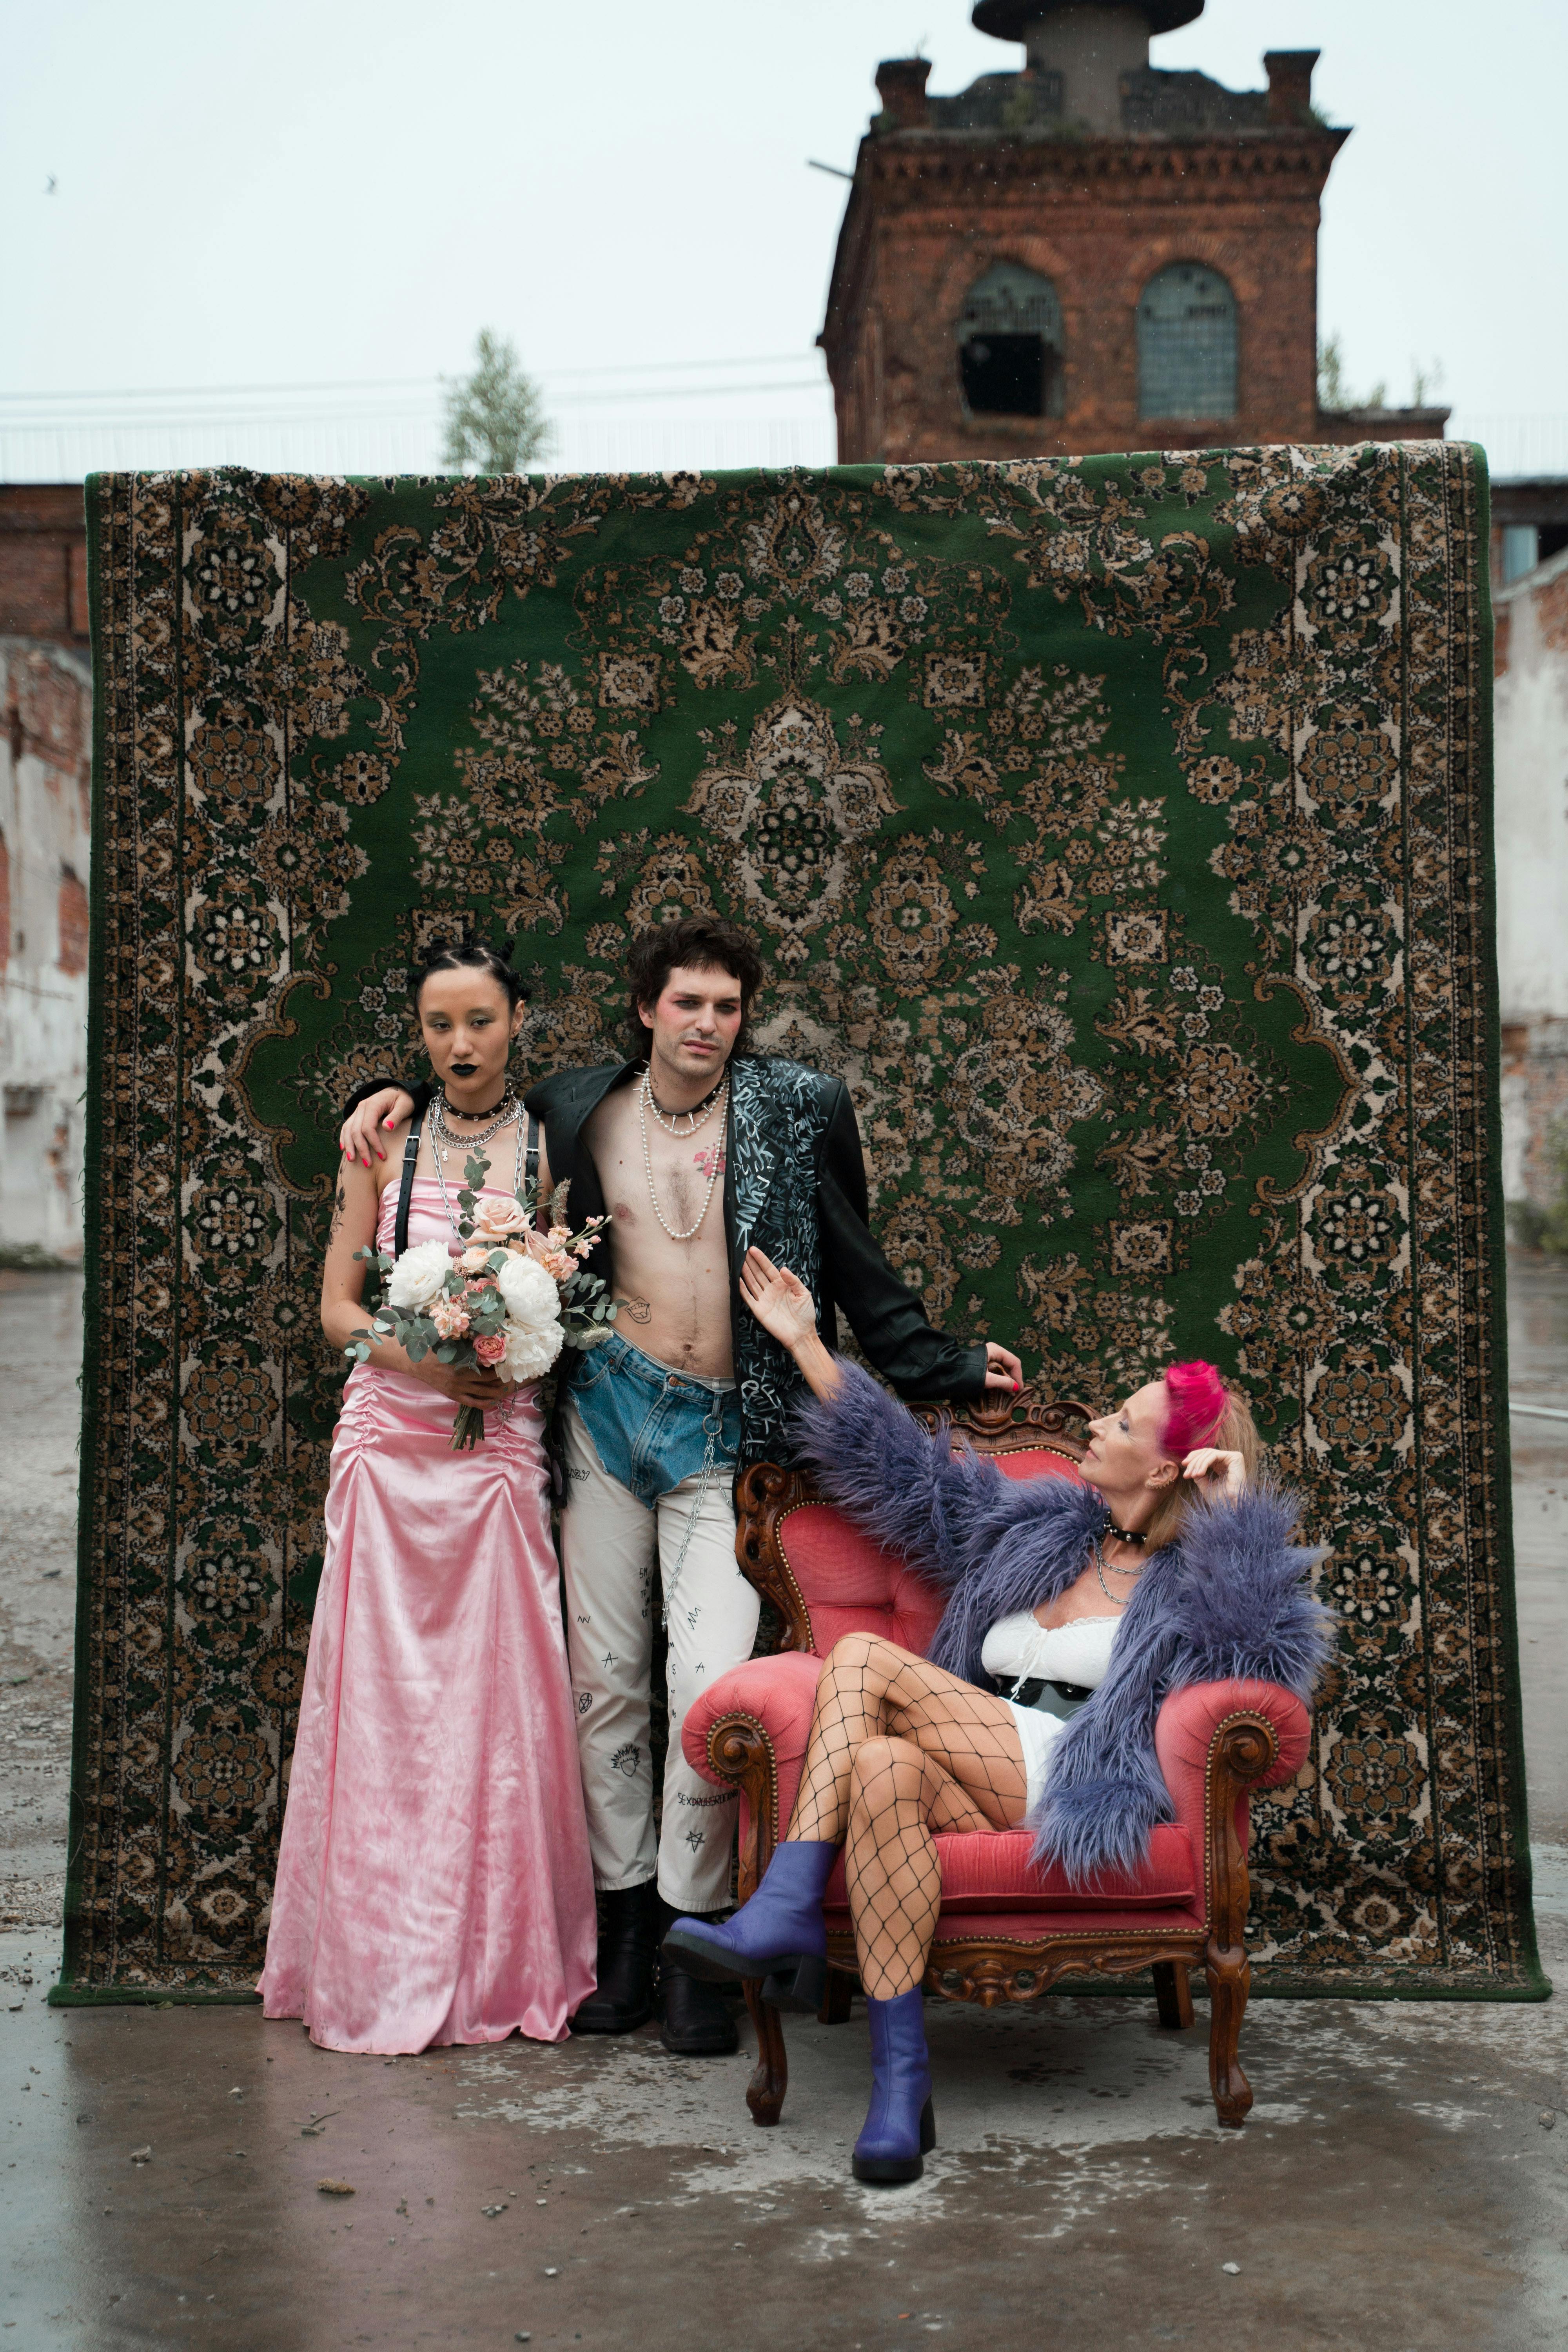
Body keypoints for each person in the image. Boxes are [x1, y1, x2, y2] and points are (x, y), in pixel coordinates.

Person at [336, 915, 1025, 2057]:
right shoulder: (577, 1107)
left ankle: (693, 1935)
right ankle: (622, 1936)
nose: (709, 1024)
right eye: (688, 1003)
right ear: (647, 1010)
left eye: (729, 1006)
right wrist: (382, 1090)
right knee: (606, 1681)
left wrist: (942, 1363)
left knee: (709, 1688)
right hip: (605, 1412)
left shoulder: (797, 1108)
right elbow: (469, 1088)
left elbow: (854, 1259)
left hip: (723, 1434)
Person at [663, 1253, 1330, 2183]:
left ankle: (780, 1905)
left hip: (1073, 1774)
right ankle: (900, 2092)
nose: (1093, 1425)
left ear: (1170, 1463)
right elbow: (901, 1472)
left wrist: (1231, 1522)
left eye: (1123, 1421)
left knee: (857, 1661)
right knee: (886, 1773)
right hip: (977, 1755)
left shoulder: (1199, 1579)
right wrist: (805, 1340)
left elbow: (1258, 1663)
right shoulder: (1037, 1527)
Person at [260, 939, 597, 2054]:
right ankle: (369, 1958)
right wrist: (423, 1360)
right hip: (392, 1440)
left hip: (493, 1444)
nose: (461, 1045)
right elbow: (338, 1311)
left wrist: (509, 1346)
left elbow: (562, 1279)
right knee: (384, 1702)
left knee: (499, 1697)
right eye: (441, 1025)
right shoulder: (382, 1141)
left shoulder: (552, 1142)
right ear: (421, 1030)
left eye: (482, 1022)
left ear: (515, 1023)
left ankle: (496, 1959)